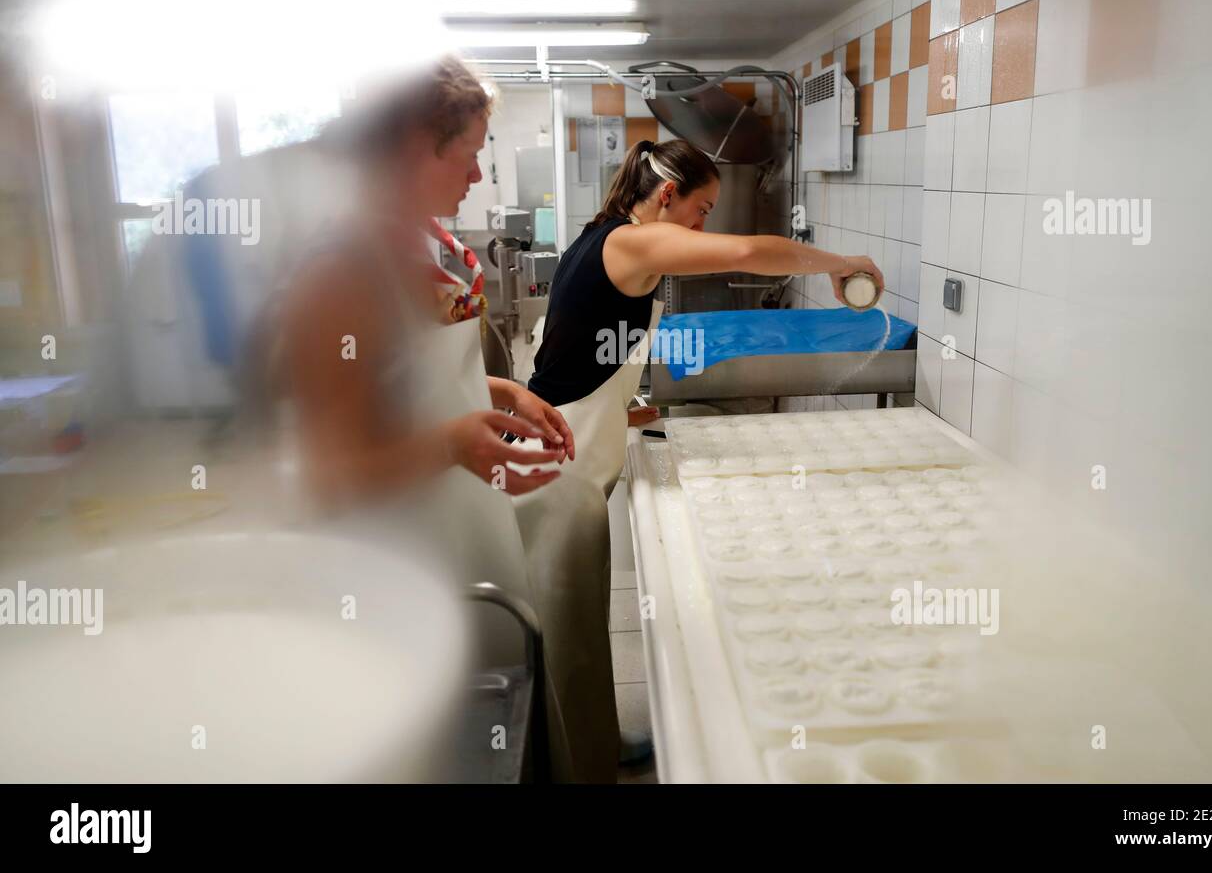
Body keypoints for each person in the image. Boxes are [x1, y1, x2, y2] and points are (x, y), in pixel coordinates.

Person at [277, 55, 622, 781]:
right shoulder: (337, 272)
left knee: (498, 707)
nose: (476, 174)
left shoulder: (417, 244)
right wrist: (454, 440)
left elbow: (403, 378)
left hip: (461, 523)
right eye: (466, 154)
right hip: (399, 550)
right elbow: (328, 471)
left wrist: (497, 392)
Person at [526, 138, 884, 483]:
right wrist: (842, 263)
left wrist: (610, 413)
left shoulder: (603, 233)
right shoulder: (630, 242)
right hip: (558, 448)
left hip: (564, 432)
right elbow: (748, 253)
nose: (701, 227)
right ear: (667, 193)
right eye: (702, 210)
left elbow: (577, 355)